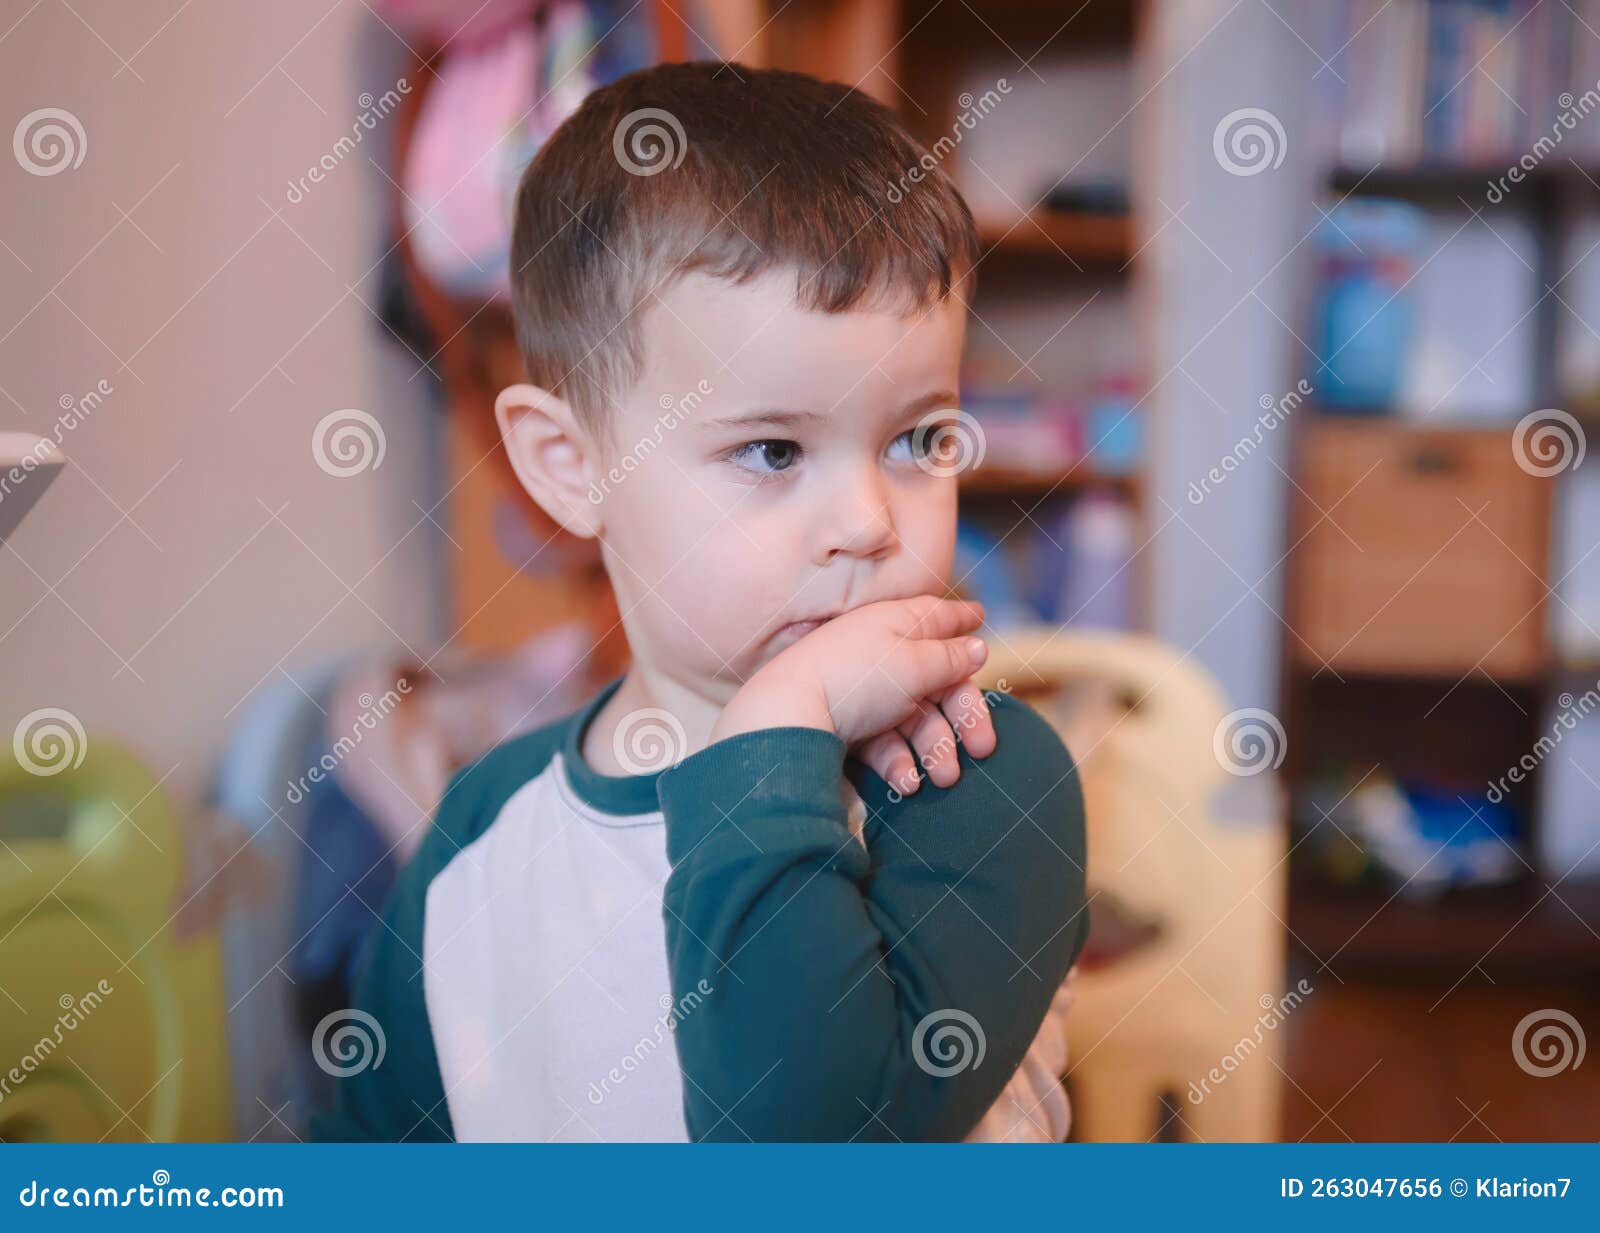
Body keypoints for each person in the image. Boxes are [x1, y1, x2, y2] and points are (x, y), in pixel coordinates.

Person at [314, 60, 1086, 1143]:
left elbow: (812, 1143)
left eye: (918, 439)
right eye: (772, 449)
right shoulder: (481, 834)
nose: (870, 520)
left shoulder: (978, 783)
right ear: (569, 467)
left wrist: (773, 739)